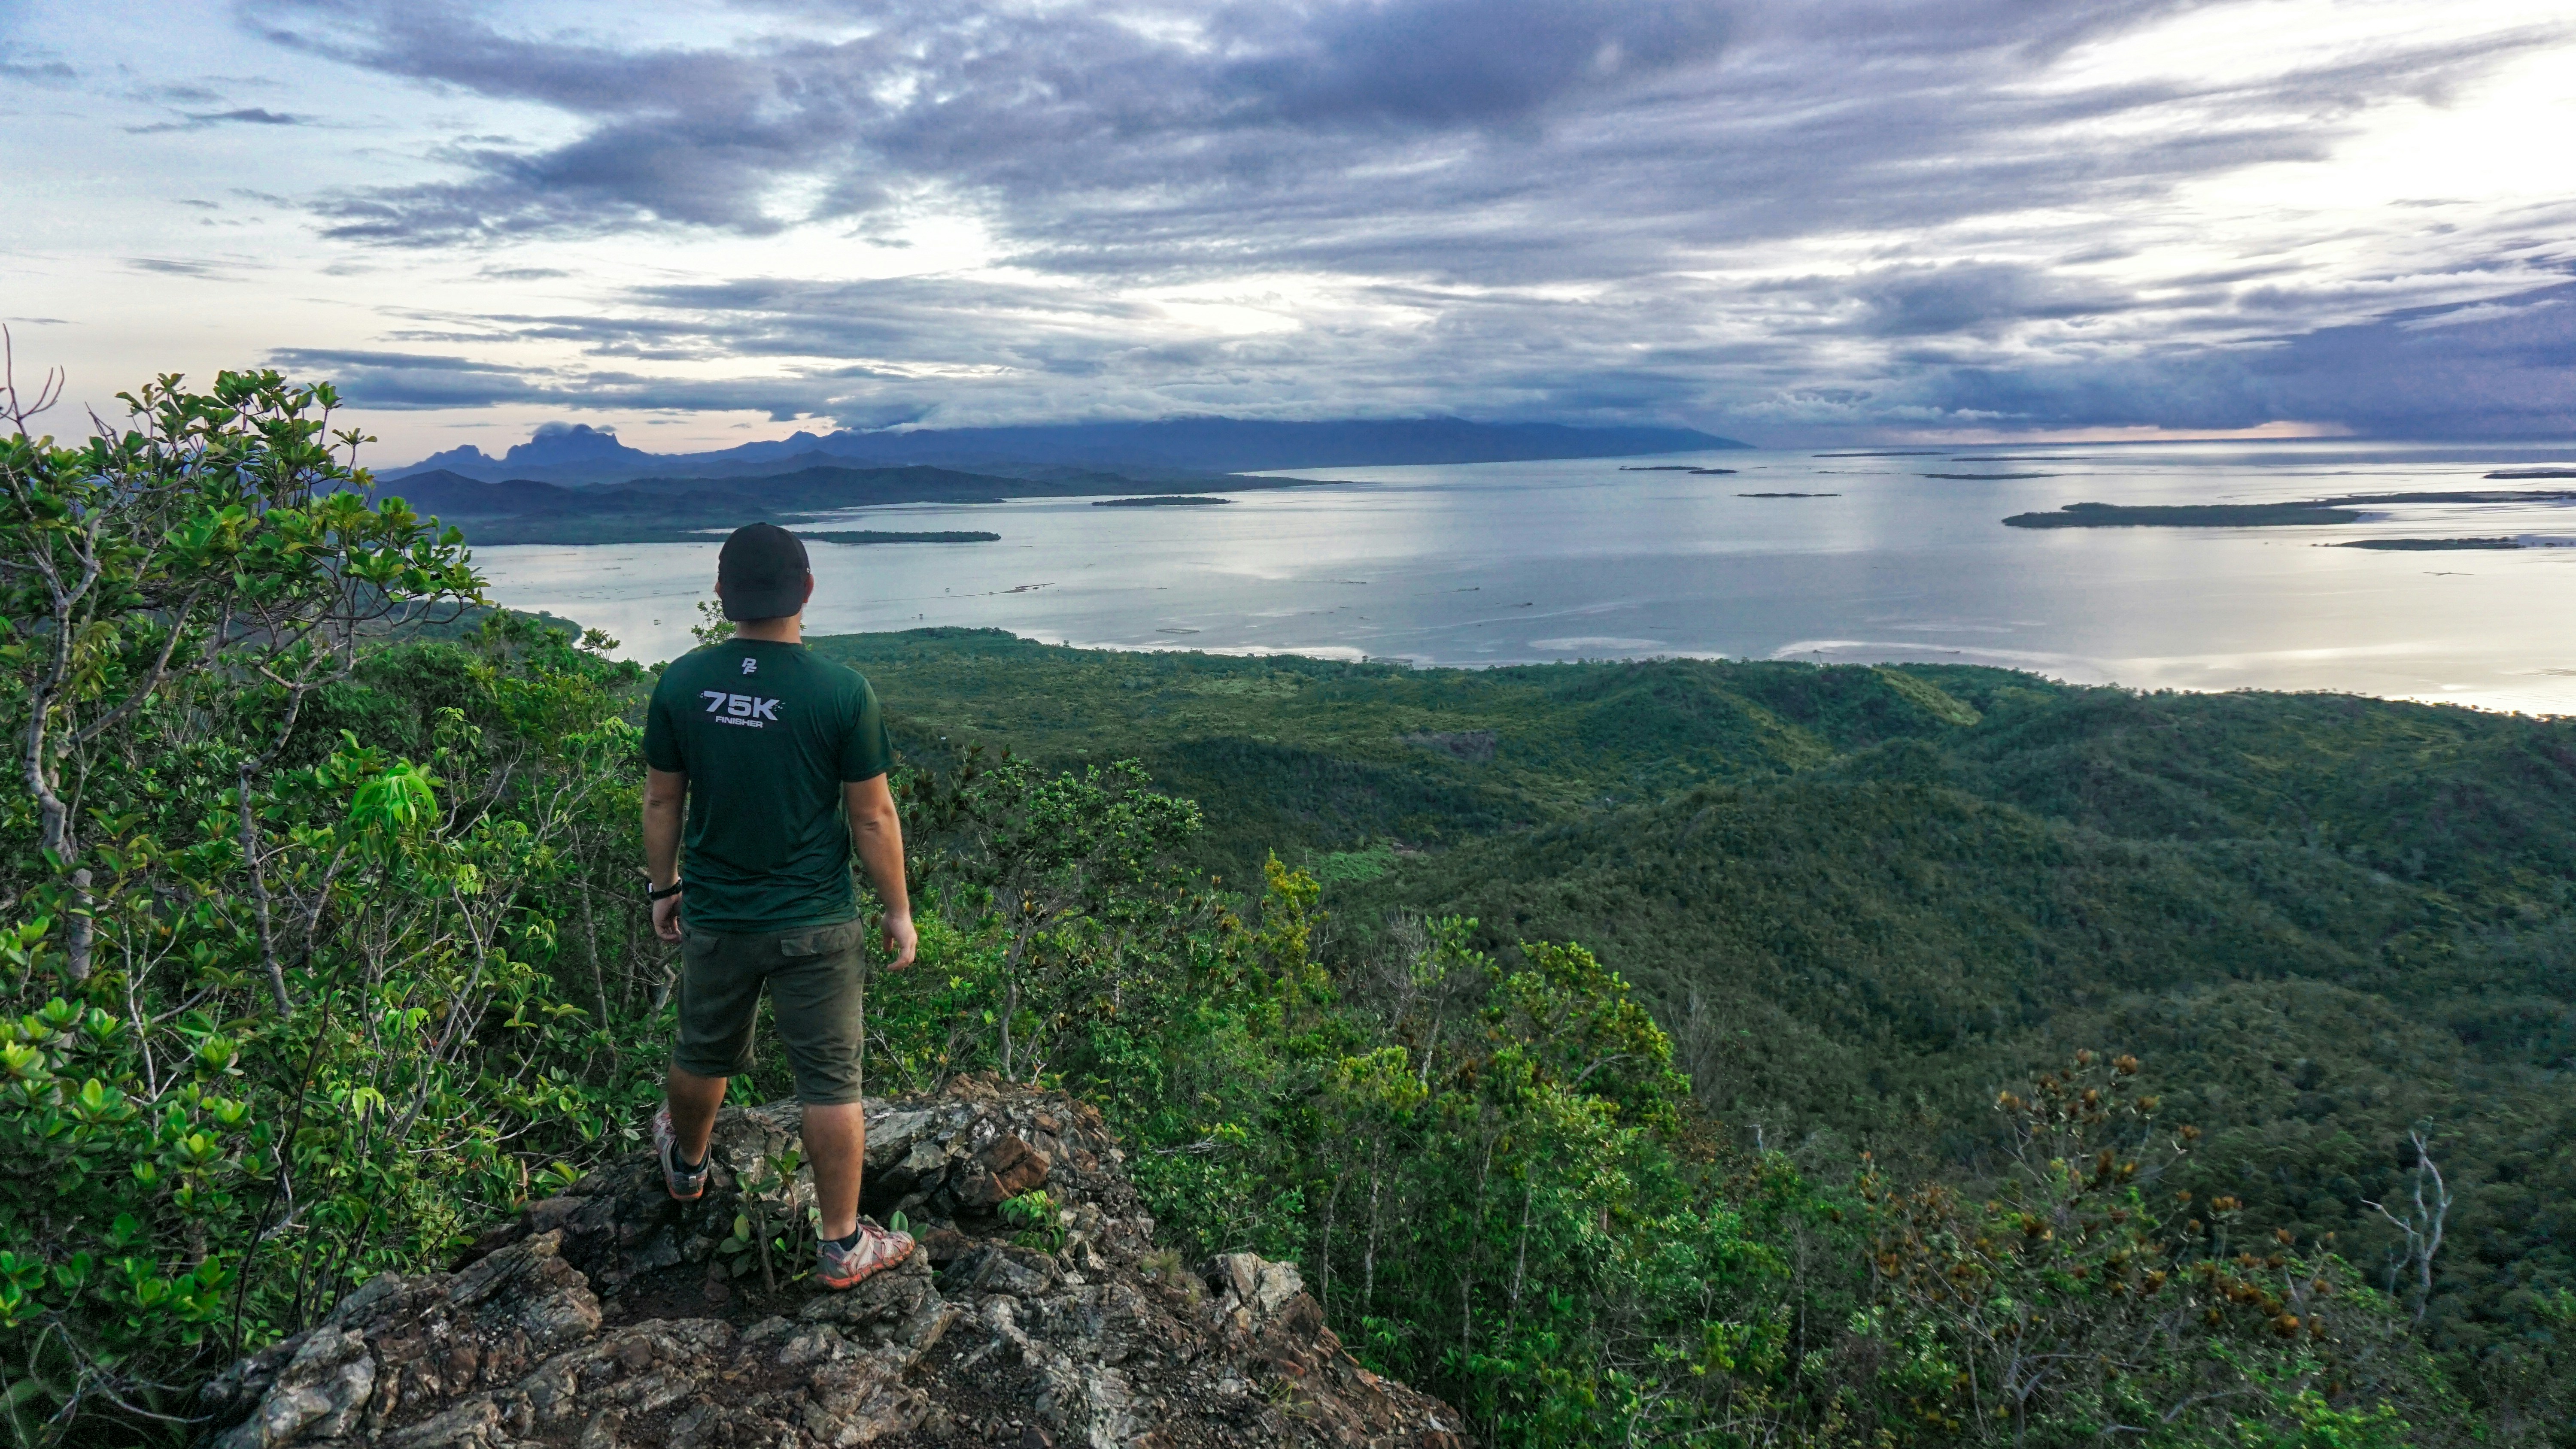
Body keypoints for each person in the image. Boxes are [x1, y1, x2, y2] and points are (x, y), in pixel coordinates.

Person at [641, 522, 920, 1290]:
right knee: (832, 1083)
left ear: (723, 593)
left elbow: (664, 798)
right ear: (806, 591)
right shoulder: (840, 691)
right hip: (817, 922)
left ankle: (688, 1167)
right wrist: (898, 910)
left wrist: (664, 888)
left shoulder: (682, 682)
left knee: (702, 1049)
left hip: (720, 915)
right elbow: (872, 818)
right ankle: (841, 1243)